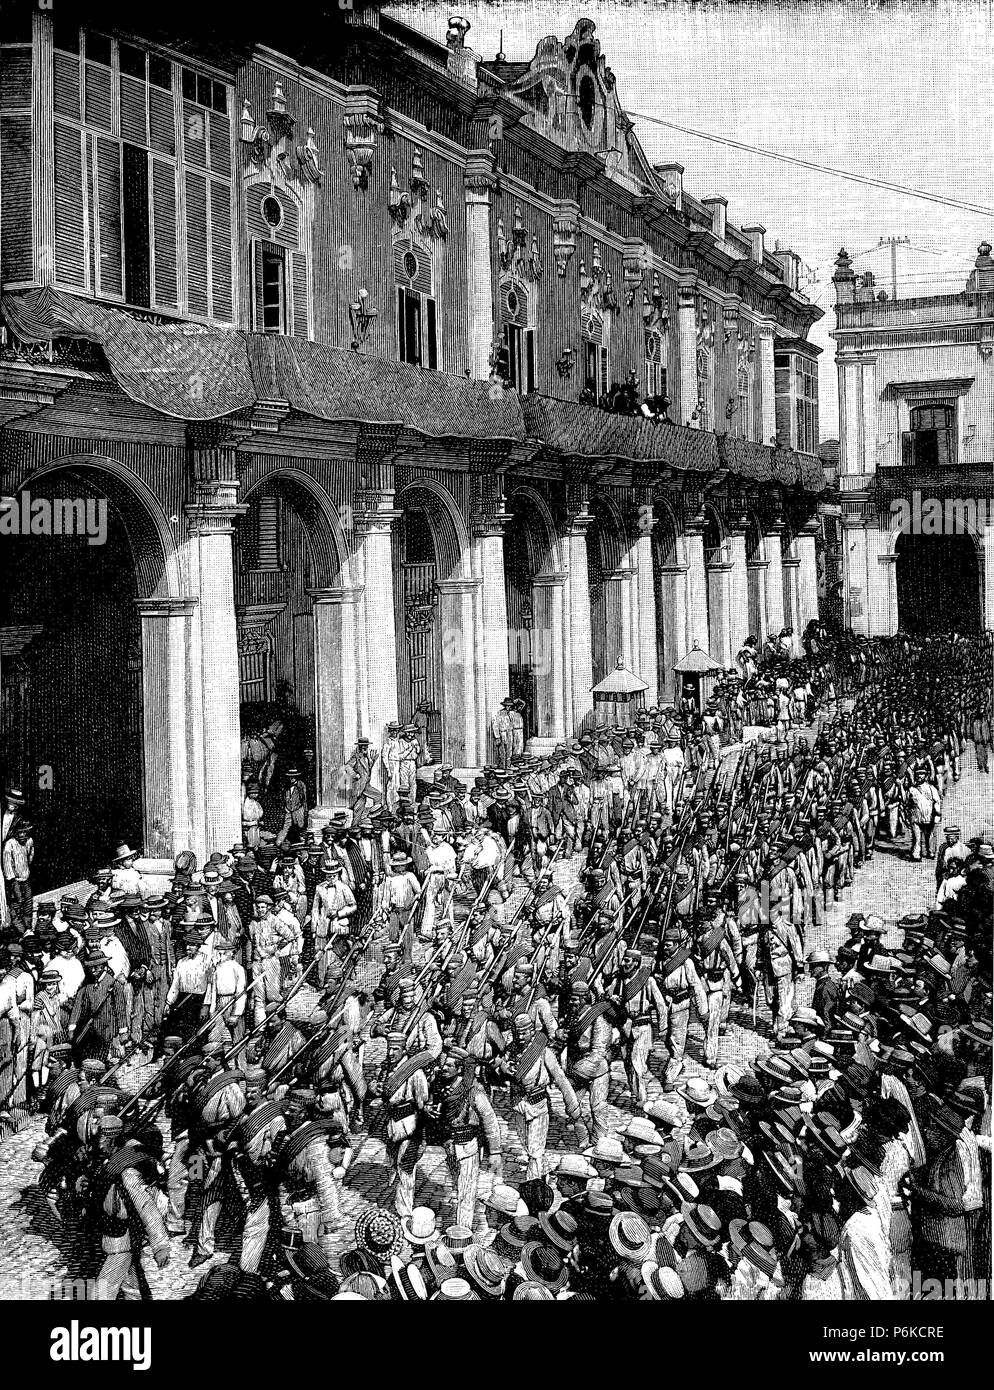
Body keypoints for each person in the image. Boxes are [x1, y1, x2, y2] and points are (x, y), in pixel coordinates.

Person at [2, 822, 34, 936]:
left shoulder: (29, 841)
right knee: (16, 906)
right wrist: (13, 881)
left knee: (28, 906)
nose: (22, 835)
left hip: (26, 879)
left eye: (24, 832)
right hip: (14, 881)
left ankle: (28, 928)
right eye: (20, 832)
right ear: (15, 833)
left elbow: (30, 857)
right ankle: (21, 931)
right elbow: (7, 865)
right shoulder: (9, 844)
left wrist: (25, 873)